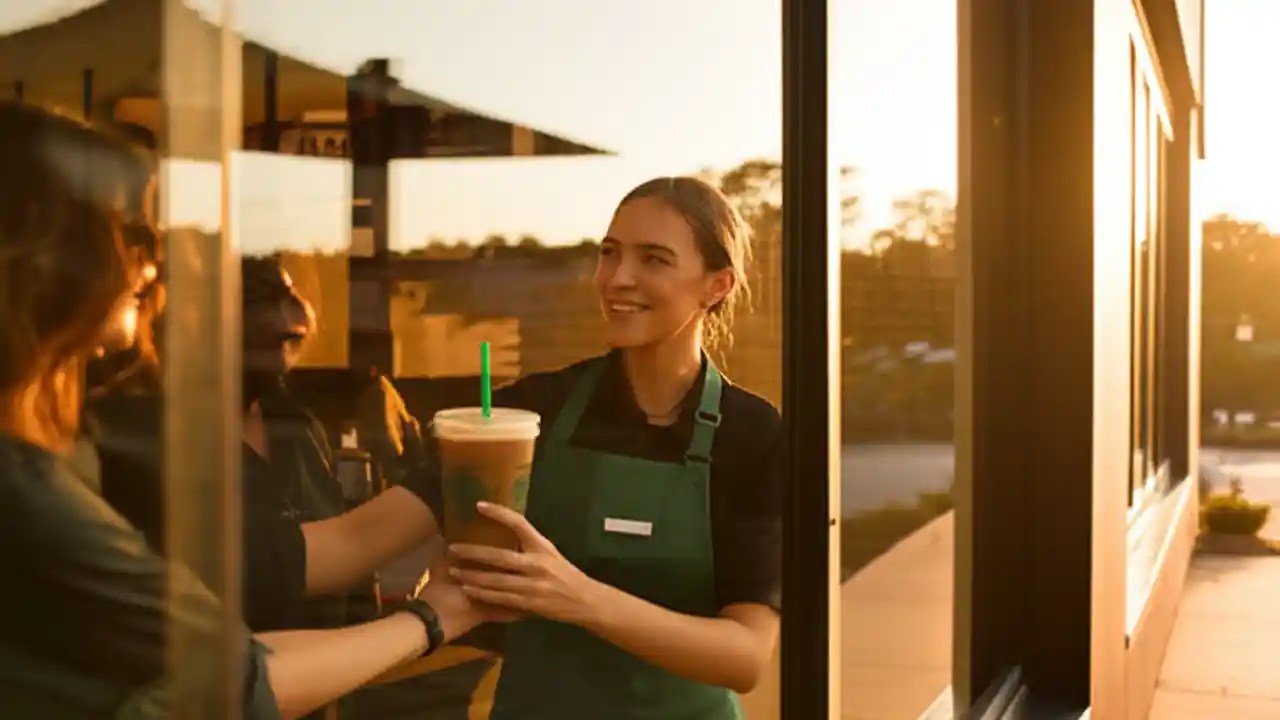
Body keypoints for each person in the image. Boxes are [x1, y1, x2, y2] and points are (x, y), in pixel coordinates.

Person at [0, 100, 491, 718]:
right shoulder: (82, 451)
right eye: (121, 228)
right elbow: (237, 672)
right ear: (39, 255)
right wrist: (439, 613)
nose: (148, 259)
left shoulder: (294, 426)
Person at [443, 176, 785, 718]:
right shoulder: (532, 412)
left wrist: (579, 599)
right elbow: (367, 537)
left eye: (653, 259)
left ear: (716, 286)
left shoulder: (750, 433)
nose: (618, 278)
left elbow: (743, 657)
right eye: (610, 253)